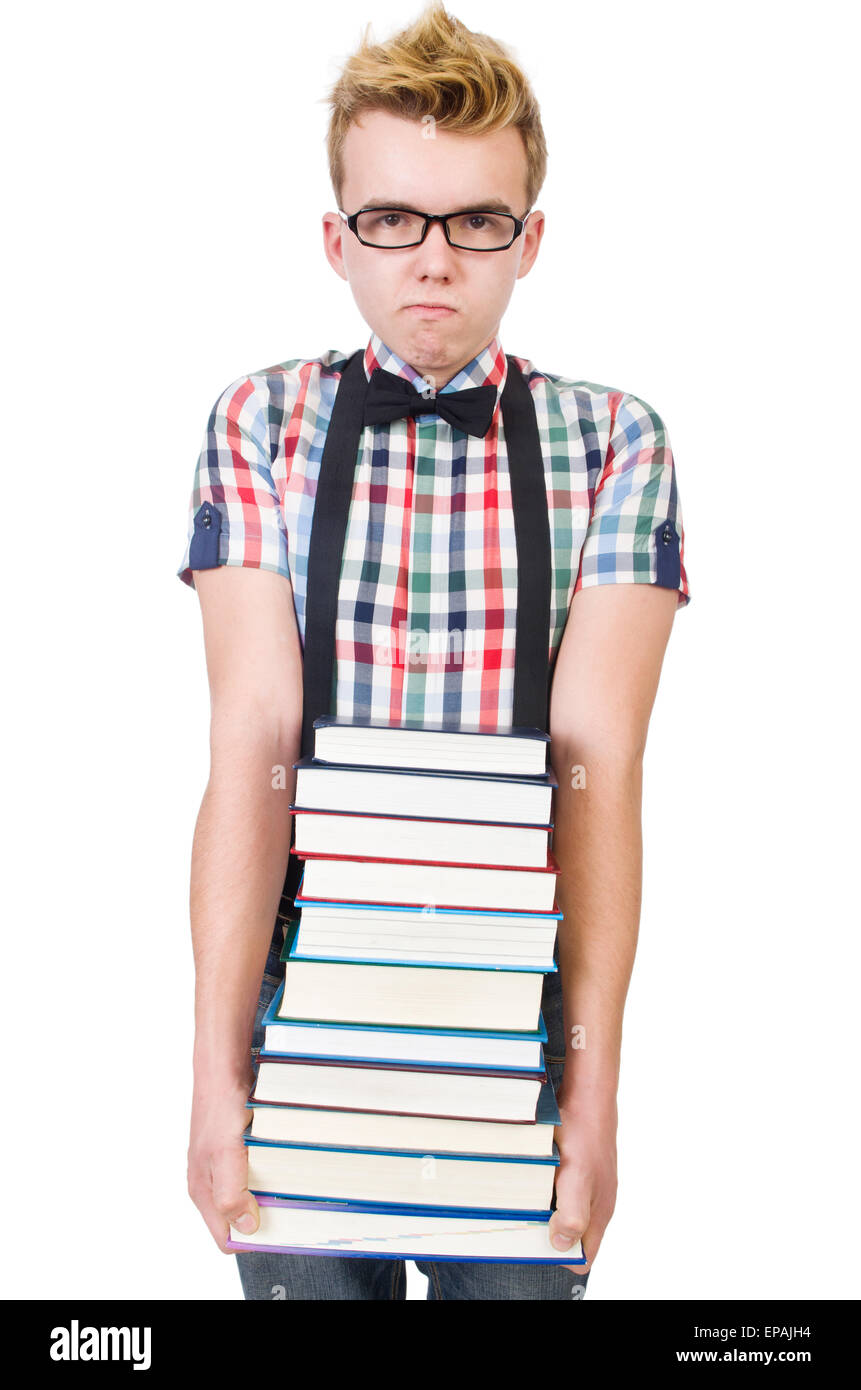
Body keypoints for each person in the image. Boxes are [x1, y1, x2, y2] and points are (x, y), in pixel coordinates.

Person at [177, 1, 691, 1301]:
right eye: (393, 220)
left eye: (476, 222)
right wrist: (214, 1078)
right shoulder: (262, 421)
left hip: (513, 1043)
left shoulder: (613, 441)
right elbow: (251, 748)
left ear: (529, 239)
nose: (433, 261)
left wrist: (592, 1091)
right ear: (336, 240)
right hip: (301, 1028)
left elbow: (598, 770)